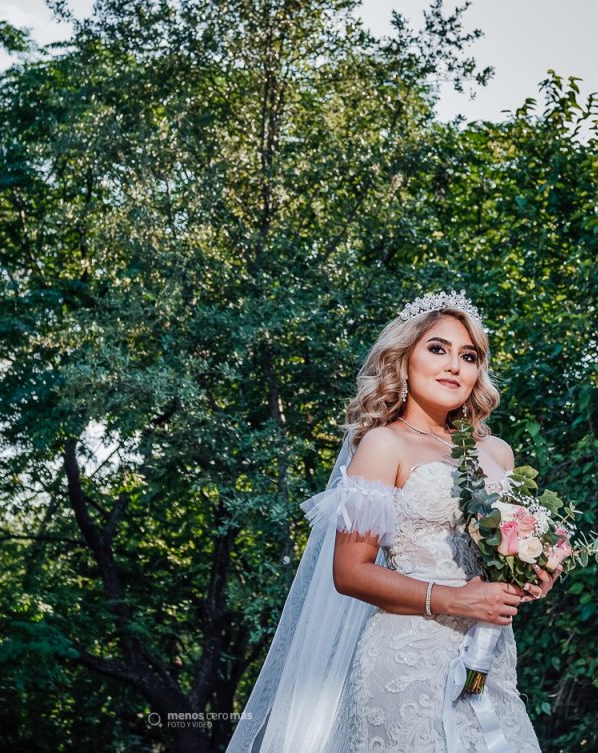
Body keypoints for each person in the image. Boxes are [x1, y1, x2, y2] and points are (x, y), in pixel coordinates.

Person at [226, 290, 556, 753]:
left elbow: (506, 548)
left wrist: (534, 570)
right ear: (404, 359)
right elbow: (350, 572)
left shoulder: (497, 452)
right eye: (437, 349)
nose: (454, 366)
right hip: (407, 662)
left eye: (469, 355)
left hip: (490, 659)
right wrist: (457, 600)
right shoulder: (383, 446)